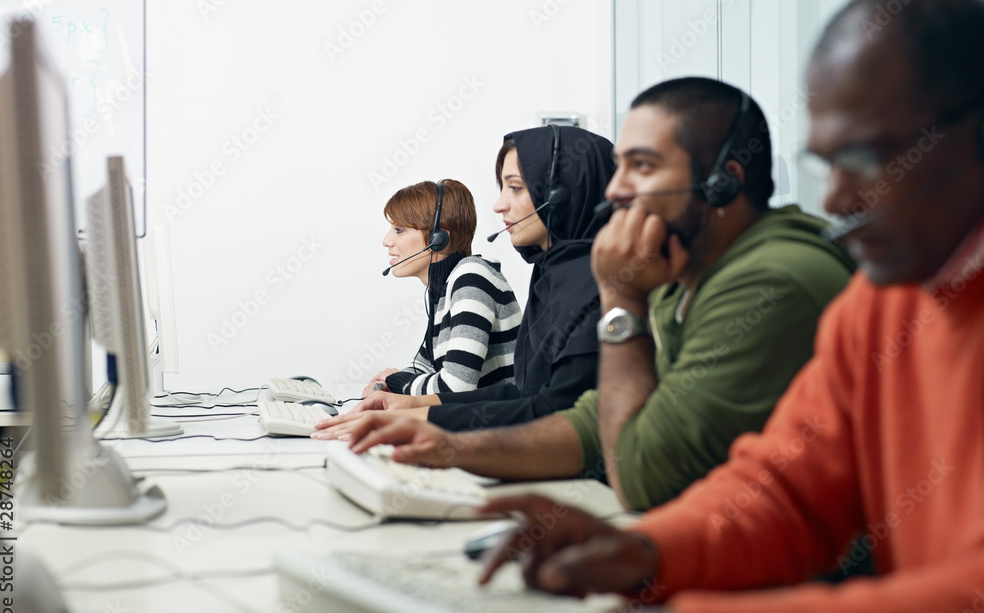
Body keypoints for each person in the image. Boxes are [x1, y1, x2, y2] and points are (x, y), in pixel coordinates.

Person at [473, 1, 984, 613]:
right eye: (827, 162)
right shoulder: (882, 301)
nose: (834, 199)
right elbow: (785, 492)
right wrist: (651, 552)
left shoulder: (786, 278)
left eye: (865, 154)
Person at [323, 78, 854, 512]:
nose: (618, 190)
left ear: (723, 183)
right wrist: (443, 440)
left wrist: (622, 299)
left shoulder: (771, 281)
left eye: (642, 167)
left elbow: (643, 473)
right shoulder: (681, 278)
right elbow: (590, 422)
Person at [322, 125, 616, 430]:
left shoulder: (476, 276)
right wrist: (400, 401)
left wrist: (404, 402)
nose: (499, 204)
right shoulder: (549, 275)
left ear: (558, 194)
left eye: (515, 188)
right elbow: (522, 392)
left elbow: (537, 408)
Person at [368, 179, 521, 396]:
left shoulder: (472, 277)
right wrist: (384, 385)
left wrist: (395, 381)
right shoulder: (445, 291)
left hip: (507, 425)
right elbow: (424, 367)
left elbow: (455, 388)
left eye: (399, 230)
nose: (386, 241)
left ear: (437, 239)